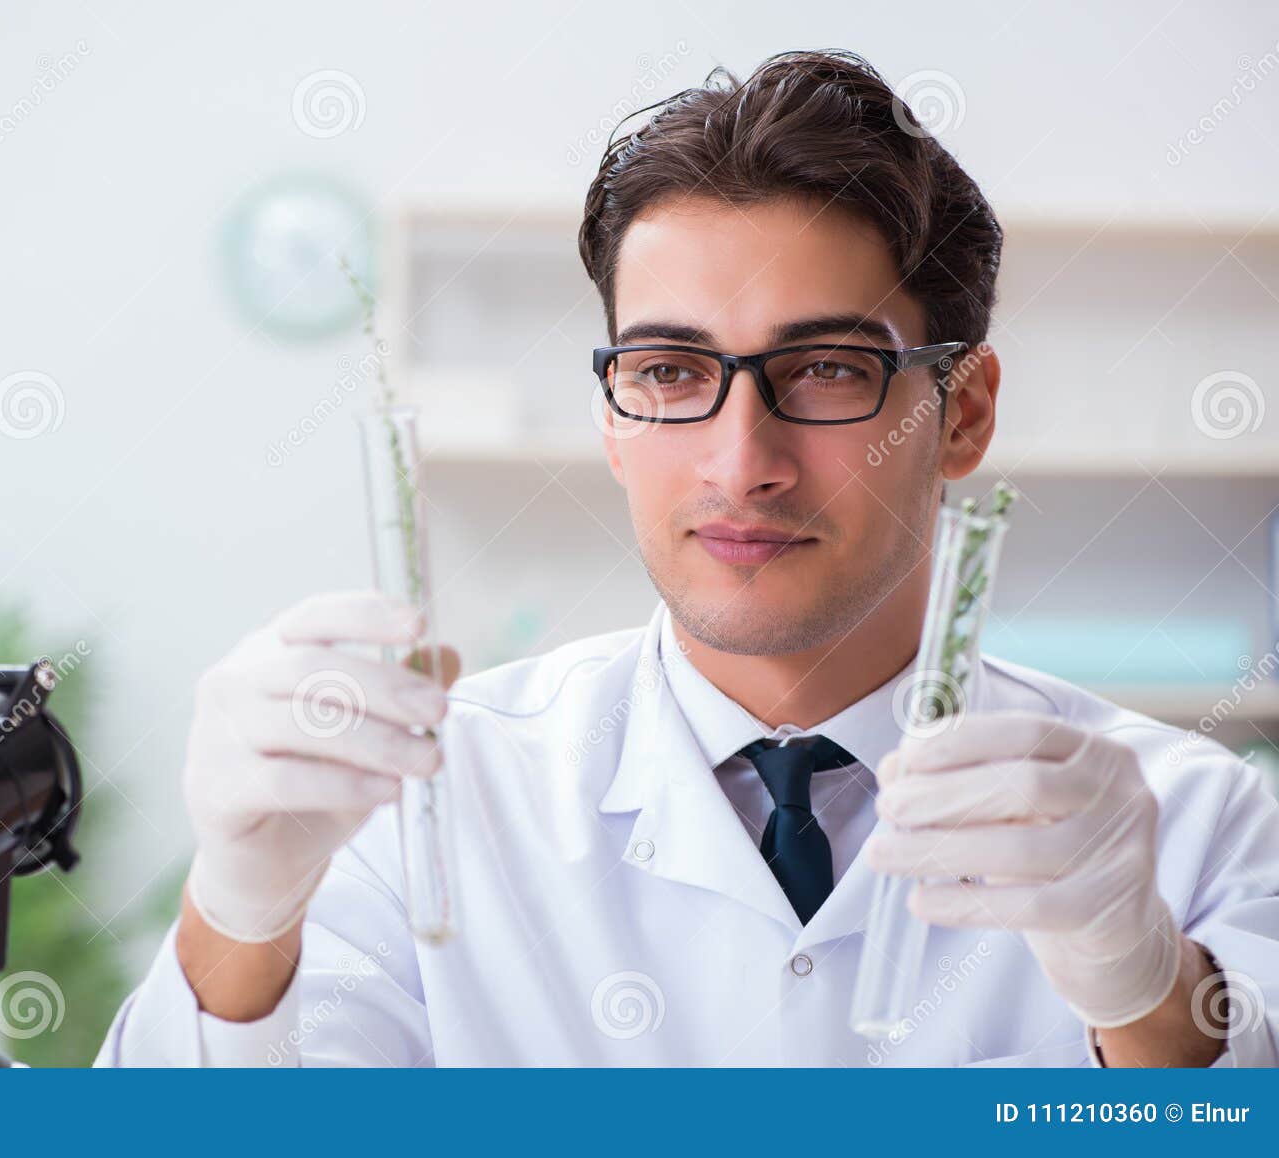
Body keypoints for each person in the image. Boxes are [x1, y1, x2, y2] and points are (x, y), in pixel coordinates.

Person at [97, 50, 1279, 1067]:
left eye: (825, 369)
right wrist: (239, 918)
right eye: (669, 372)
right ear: (612, 416)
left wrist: (1144, 992)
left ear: (961, 413)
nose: (738, 462)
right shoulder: (421, 813)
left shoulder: (1185, 821)